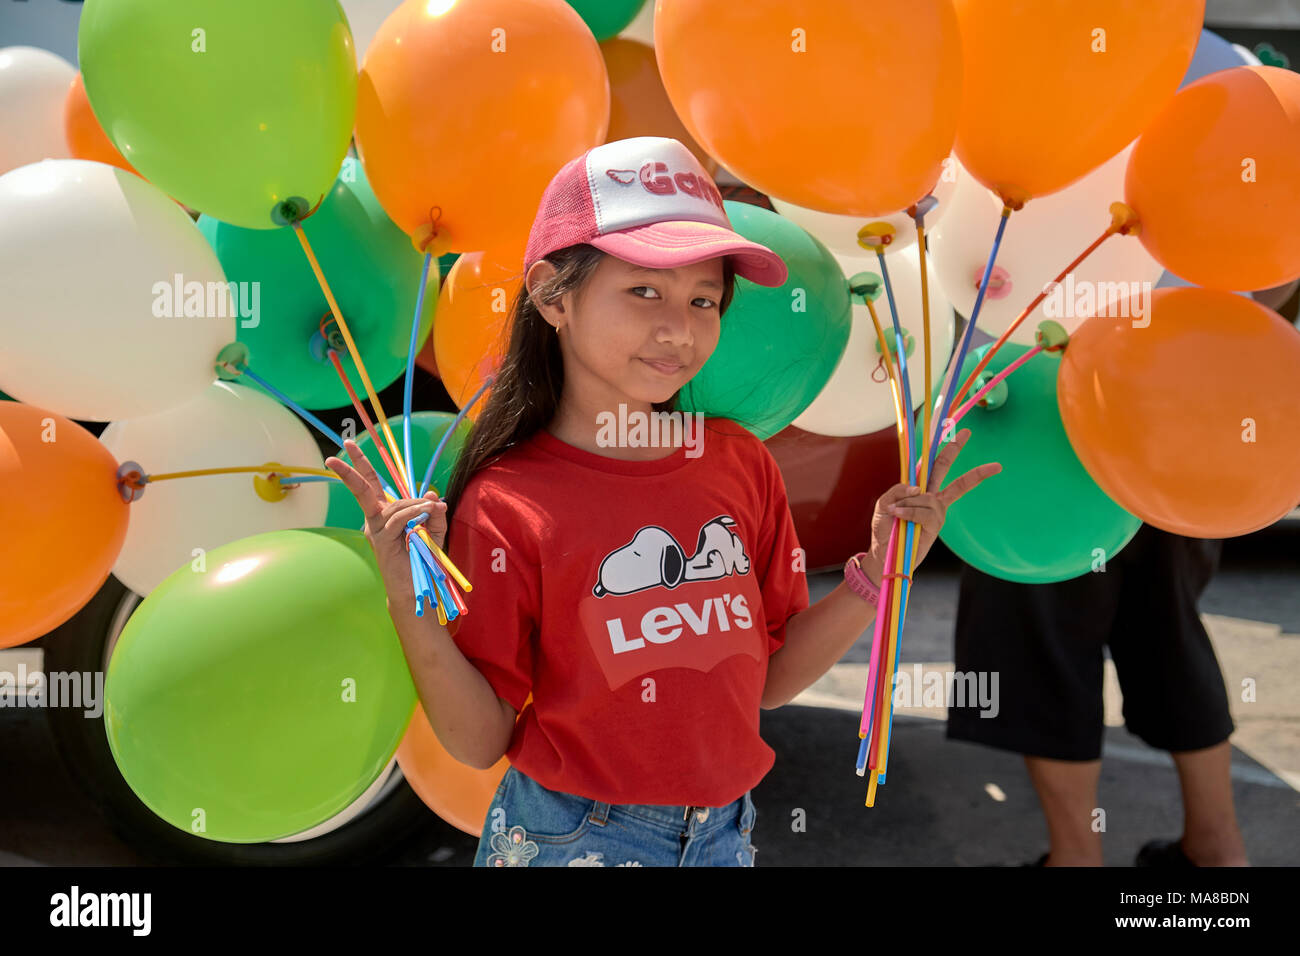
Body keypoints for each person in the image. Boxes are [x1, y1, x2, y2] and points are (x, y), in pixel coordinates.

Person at [326, 136, 1001, 866]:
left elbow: (769, 684)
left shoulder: (740, 465)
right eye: (644, 290)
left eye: (703, 298)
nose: (679, 328)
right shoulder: (507, 503)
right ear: (553, 294)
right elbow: (479, 739)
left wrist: (883, 569)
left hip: (724, 837)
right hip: (568, 841)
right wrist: (408, 603)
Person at [948, 525, 1248, 867]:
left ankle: (1076, 860)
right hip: (1170, 482)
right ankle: (1217, 851)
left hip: (1049, 487)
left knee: (1045, 639)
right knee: (1169, 632)